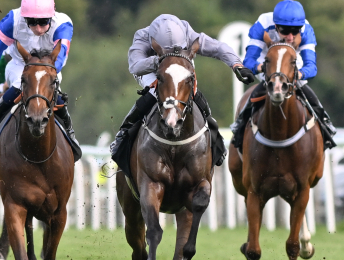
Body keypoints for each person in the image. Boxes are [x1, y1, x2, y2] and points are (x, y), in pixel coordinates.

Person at [109, 14, 255, 168]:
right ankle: (123, 134)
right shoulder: (142, 36)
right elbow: (135, 66)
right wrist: (160, 60)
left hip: (181, 69)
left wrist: (237, 65)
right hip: (151, 70)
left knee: (191, 93)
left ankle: (215, 137)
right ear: (153, 42)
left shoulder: (188, 33)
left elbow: (219, 48)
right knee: (155, 92)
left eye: (178, 49)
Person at [0, 0, 82, 177]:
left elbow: (60, 57)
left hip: (49, 67)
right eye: (32, 22)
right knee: (16, 88)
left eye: (43, 22)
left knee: (54, 93)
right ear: (24, 17)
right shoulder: (11, 21)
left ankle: (70, 133)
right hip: (20, 65)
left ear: (51, 17)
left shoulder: (63, 24)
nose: (38, 28)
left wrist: (44, 74)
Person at [229, 0, 337, 151]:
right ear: (275, 26)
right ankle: (240, 126)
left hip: (292, 61)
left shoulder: (306, 30)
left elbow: (311, 67)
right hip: (267, 60)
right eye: (285, 31)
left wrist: (298, 74)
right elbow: (249, 61)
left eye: (295, 31)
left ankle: (325, 124)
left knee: (304, 88)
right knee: (261, 88)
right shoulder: (262, 24)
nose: (290, 37)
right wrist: (263, 68)